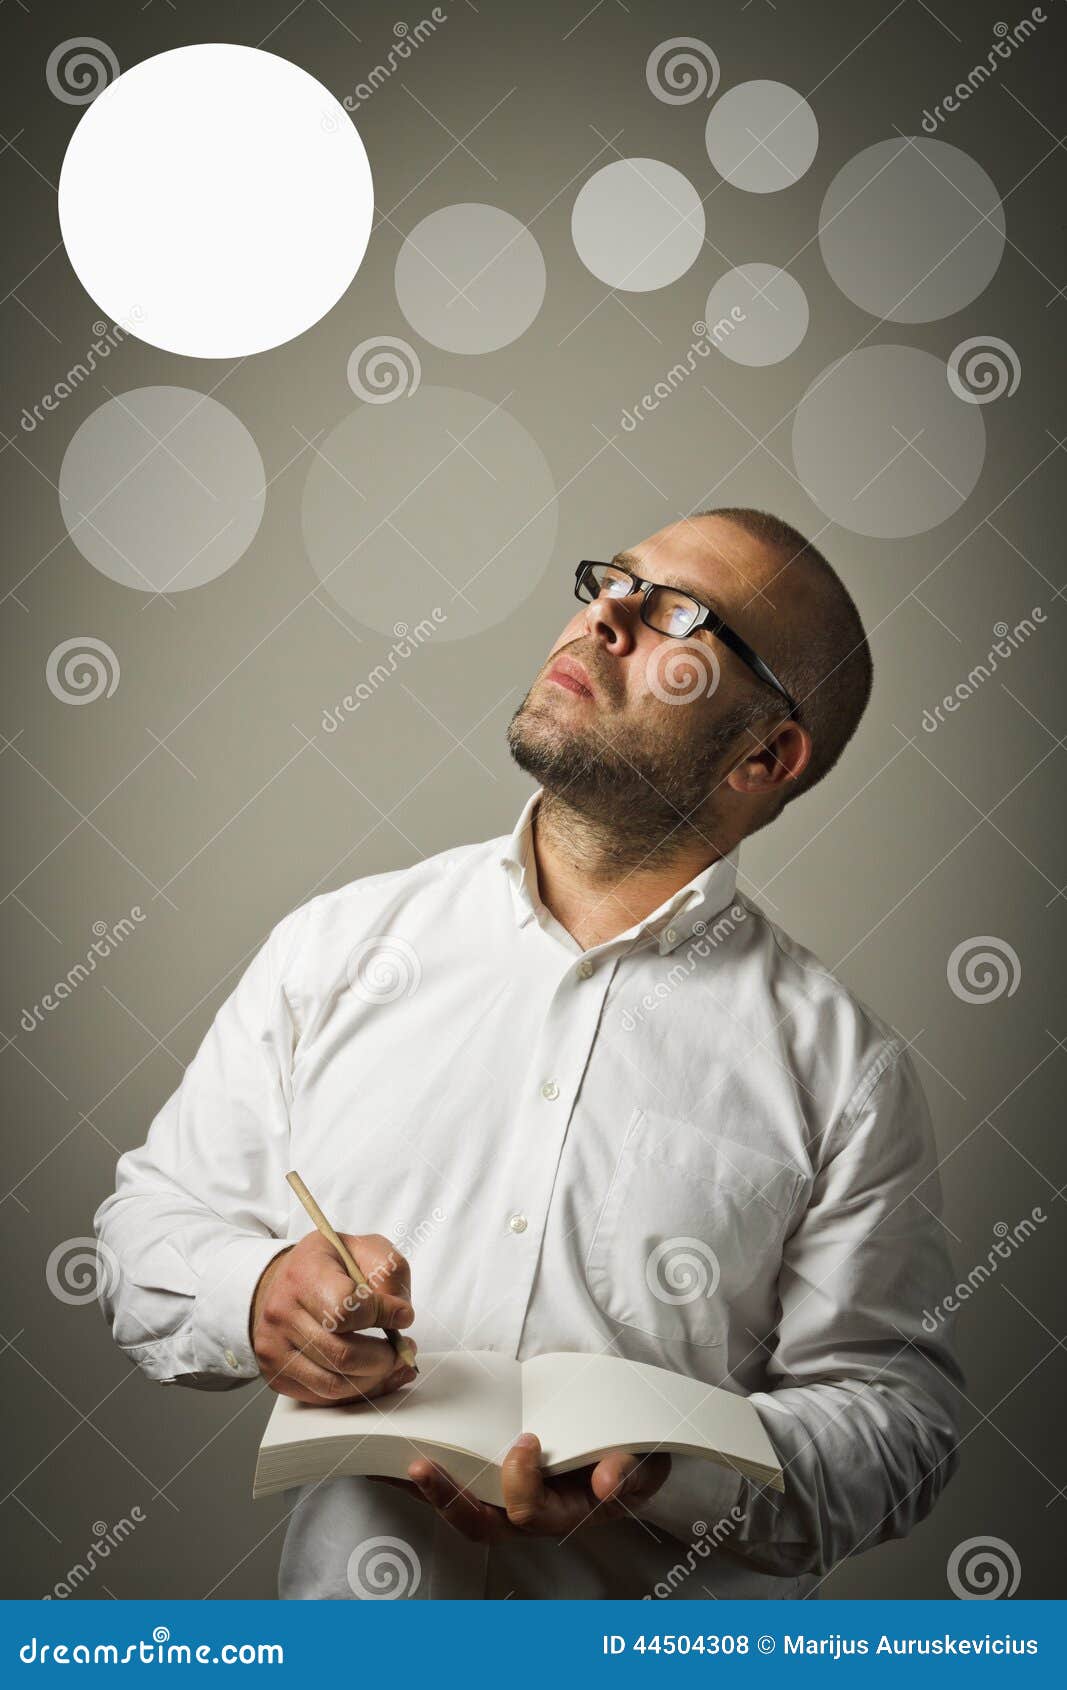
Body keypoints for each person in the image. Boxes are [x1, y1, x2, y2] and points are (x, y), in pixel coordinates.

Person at [94, 507, 964, 1599]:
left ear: (764, 752)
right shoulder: (336, 946)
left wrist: (668, 1476)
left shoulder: (843, 1072)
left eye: (676, 616)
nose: (605, 614)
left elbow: (894, 1433)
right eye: (613, 580)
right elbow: (140, 1238)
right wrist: (256, 1287)